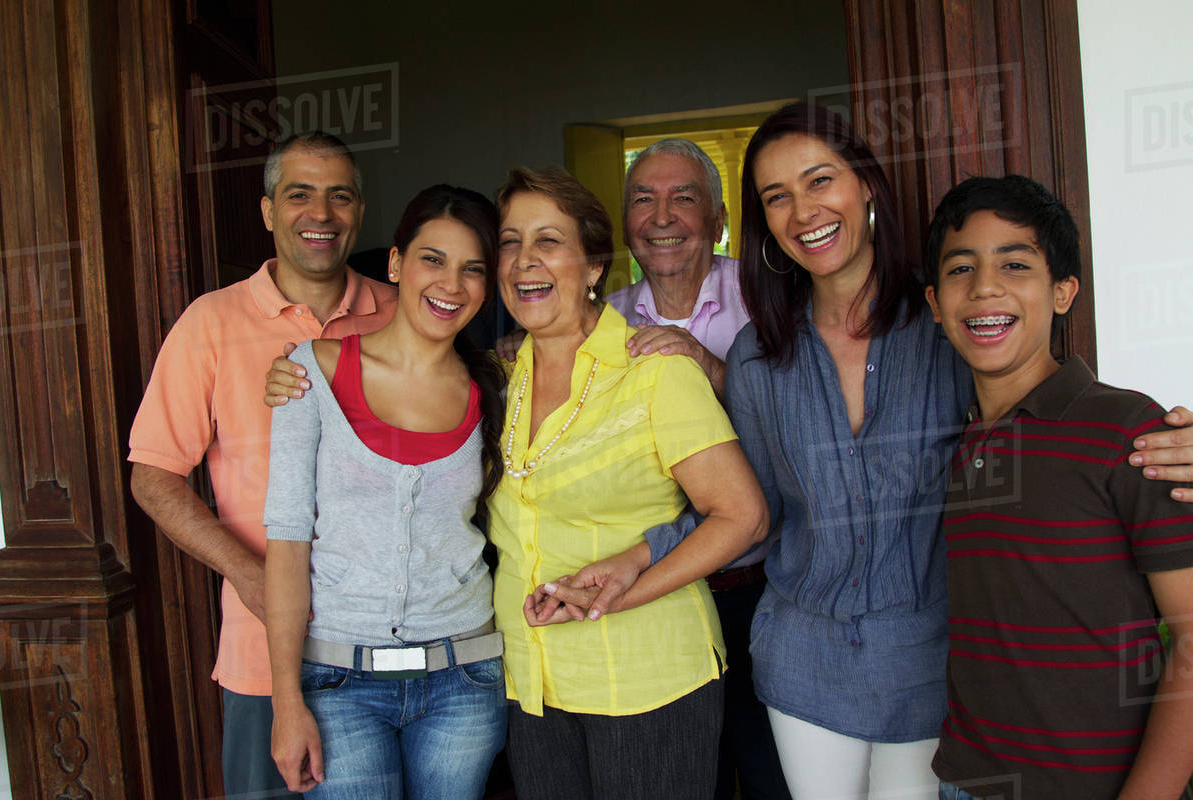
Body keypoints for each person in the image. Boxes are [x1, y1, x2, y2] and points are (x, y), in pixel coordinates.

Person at [597, 103, 1193, 800]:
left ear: (866, 186)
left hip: (936, 669)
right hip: (803, 664)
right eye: (777, 197)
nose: (803, 211)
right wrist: (634, 559)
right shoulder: (759, 358)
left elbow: (1055, 416)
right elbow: (745, 511)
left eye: (820, 181)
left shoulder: (953, 320)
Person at [128, 131, 397, 798]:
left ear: (359, 213)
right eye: (299, 194)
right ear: (268, 210)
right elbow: (153, 476)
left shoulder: (400, 317)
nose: (321, 214)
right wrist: (248, 574)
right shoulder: (211, 324)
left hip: (390, 651)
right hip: (262, 657)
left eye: (340, 196)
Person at [491, 165, 767, 800]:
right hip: (531, 679)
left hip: (647, 679)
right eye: (510, 241)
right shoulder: (503, 378)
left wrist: (626, 593)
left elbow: (742, 516)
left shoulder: (654, 370)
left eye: (548, 241)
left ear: (593, 267)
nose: (524, 260)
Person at [923, 176, 1193, 800]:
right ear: (935, 303)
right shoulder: (956, 445)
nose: (985, 287)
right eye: (962, 269)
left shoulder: (1131, 431)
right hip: (967, 784)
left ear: (1063, 291)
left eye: (1014, 264)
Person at [264, 185, 508, 799]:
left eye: (472, 268)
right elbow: (288, 541)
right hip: (338, 681)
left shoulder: (497, 387)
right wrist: (285, 701)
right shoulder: (310, 371)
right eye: (433, 259)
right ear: (396, 264)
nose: (451, 284)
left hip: (465, 677)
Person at [610, 138, 786, 800]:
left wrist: (708, 370)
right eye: (643, 199)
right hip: (664, 596)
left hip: (766, 591)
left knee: (777, 779)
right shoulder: (603, 322)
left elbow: (800, 431)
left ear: (717, 220)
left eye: (683, 198)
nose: (661, 216)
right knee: (686, 780)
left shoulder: (771, 302)